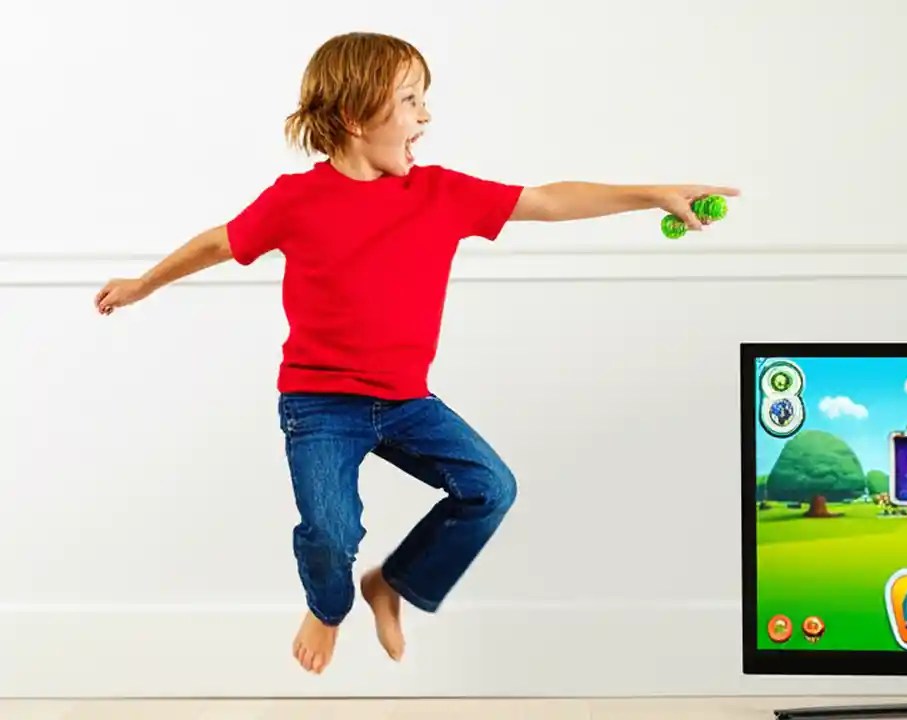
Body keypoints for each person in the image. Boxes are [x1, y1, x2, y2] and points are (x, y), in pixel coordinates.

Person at [93, 31, 737, 675]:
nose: (424, 116)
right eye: (409, 100)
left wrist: (652, 192)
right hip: (320, 406)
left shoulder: (440, 194)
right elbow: (217, 243)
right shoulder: (294, 200)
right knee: (331, 533)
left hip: (406, 402)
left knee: (490, 488)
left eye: (423, 100)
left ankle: (392, 583)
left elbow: (548, 199)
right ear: (354, 116)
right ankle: (329, 605)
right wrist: (143, 285)